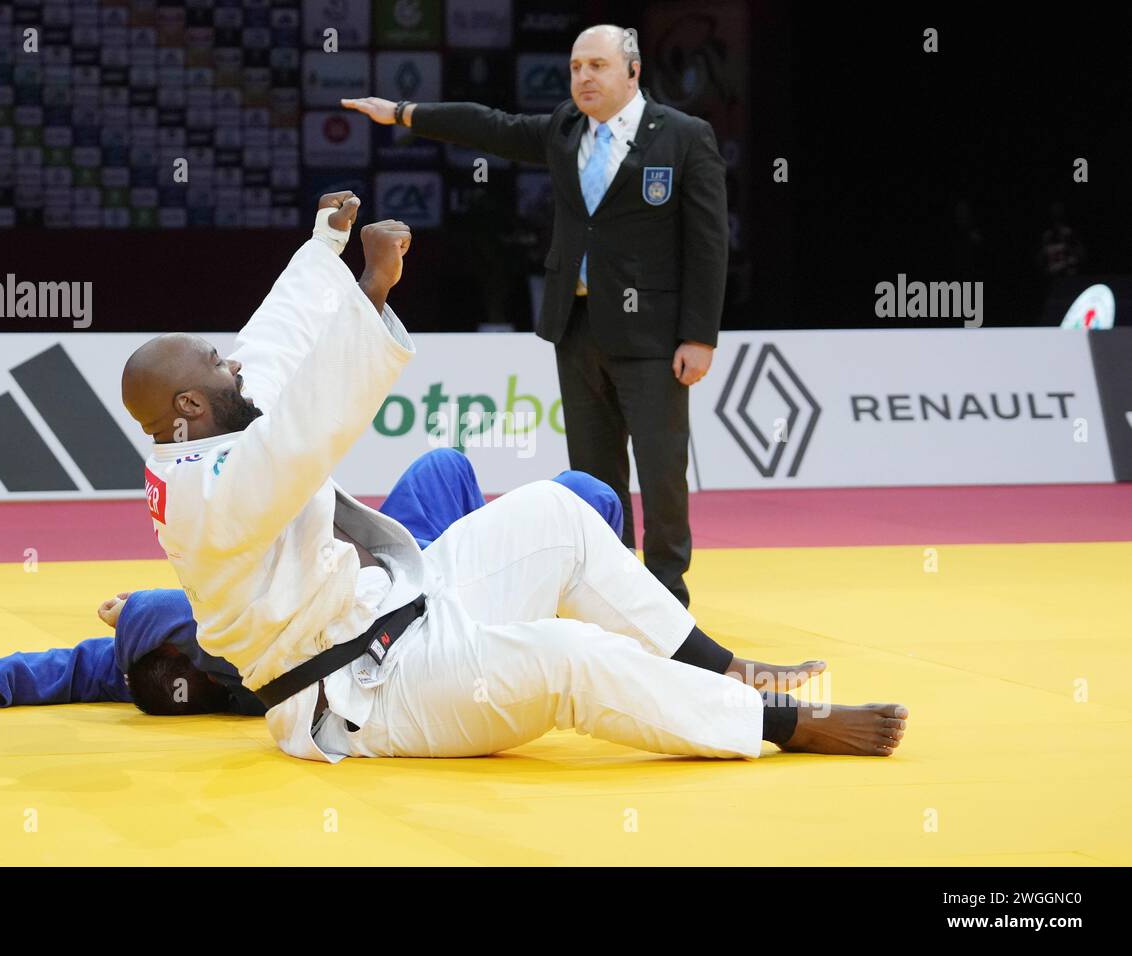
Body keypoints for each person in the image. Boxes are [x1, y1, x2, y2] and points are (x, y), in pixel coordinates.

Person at [116, 189, 907, 763]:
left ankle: (715, 663)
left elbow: (274, 347)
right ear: (190, 399)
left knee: (553, 516)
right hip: (360, 700)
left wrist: (323, 248)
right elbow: (303, 430)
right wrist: (369, 289)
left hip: (389, 615)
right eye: (217, 363)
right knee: (562, 654)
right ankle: (774, 723)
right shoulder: (204, 497)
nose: (234, 362)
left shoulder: (200, 425)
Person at [342, 23, 727, 606]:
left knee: (661, 468)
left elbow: (707, 245)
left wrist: (698, 336)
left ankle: (668, 592)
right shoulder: (566, 129)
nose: (583, 77)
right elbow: (489, 125)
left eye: (596, 66)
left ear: (633, 71)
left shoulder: (684, 137)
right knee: (593, 473)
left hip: (652, 334)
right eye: (575, 67)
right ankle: (610, 583)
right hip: (575, 327)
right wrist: (403, 112)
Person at [0, 450, 626, 716]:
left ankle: (572, 577)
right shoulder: (244, 635)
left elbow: (73, 670)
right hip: (418, 603)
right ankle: (604, 595)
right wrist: (130, 607)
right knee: (579, 495)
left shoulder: (158, 656)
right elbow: (91, 661)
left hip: (388, 573)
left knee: (448, 471)